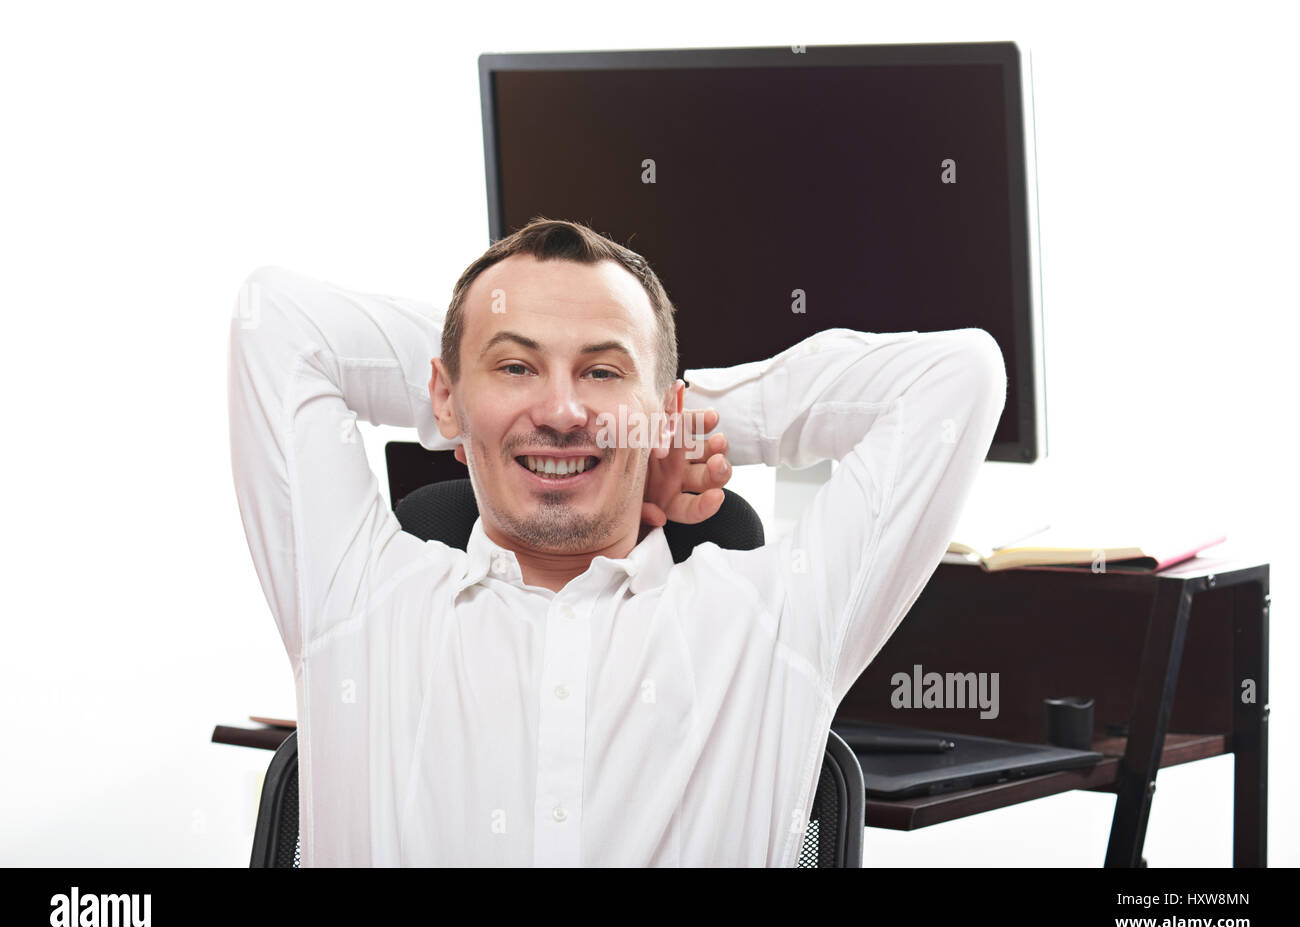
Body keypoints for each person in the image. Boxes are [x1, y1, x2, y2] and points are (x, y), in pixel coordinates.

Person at [227, 217, 1007, 866]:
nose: (562, 410)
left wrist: (674, 423)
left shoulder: (768, 623)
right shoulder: (359, 599)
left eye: (602, 372)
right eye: (516, 365)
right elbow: (276, 322)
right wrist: (517, 401)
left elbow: (957, 375)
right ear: (443, 397)